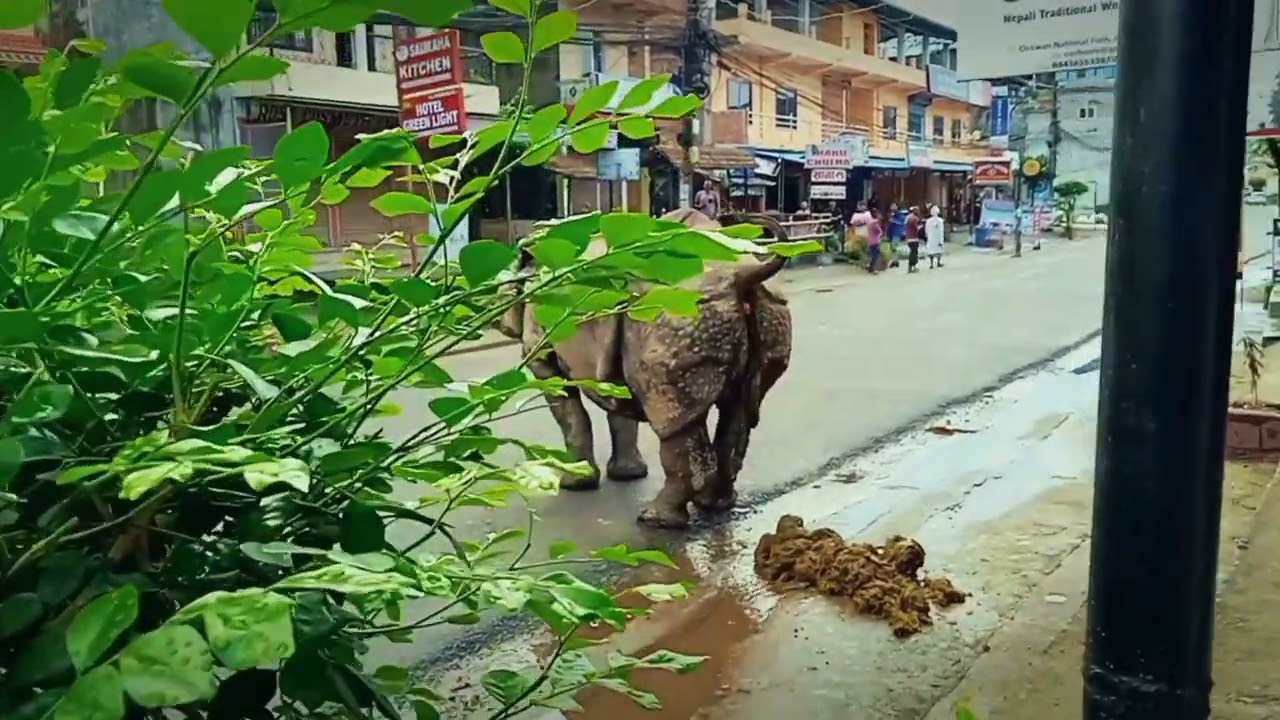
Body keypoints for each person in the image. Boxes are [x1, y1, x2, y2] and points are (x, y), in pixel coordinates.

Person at [925, 204, 946, 269]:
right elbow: (941, 231)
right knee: (939, 250)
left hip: (931, 238)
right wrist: (941, 239)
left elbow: (926, 229)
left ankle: (931, 264)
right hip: (938, 238)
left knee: (931, 251)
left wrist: (927, 236)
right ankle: (938, 263)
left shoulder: (928, 221)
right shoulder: (940, 221)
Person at [904, 206, 922, 273]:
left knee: (912, 253)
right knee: (914, 253)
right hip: (914, 238)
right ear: (915, 211)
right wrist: (920, 227)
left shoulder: (908, 217)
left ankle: (911, 267)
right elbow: (916, 229)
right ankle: (912, 267)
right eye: (917, 211)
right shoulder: (915, 218)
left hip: (908, 238)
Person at [866, 208, 884, 274]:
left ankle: (870, 267)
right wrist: (881, 233)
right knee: (875, 255)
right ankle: (872, 268)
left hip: (870, 241)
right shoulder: (875, 223)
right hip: (875, 241)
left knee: (875, 254)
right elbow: (879, 232)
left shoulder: (869, 222)